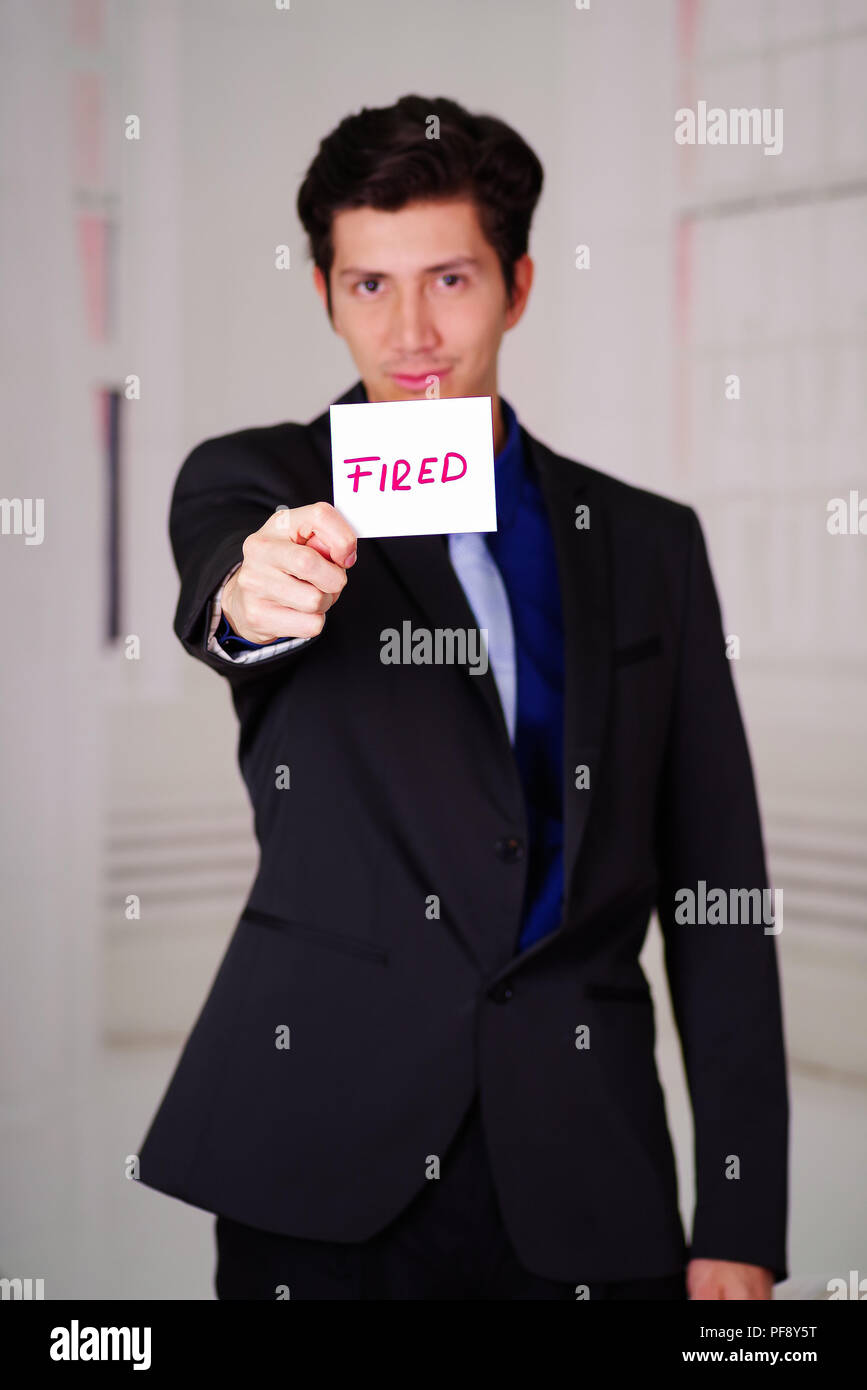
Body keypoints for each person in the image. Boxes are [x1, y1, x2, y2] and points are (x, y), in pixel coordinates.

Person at [137, 94, 789, 1301]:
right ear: (326, 293)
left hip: (587, 1168)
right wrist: (253, 595)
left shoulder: (649, 544)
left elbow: (719, 886)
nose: (412, 331)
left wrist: (741, 1214)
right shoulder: (257, 482)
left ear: (519, 284)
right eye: (369, 286)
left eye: (450, 279)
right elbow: (225, 592)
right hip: (321, 1157)